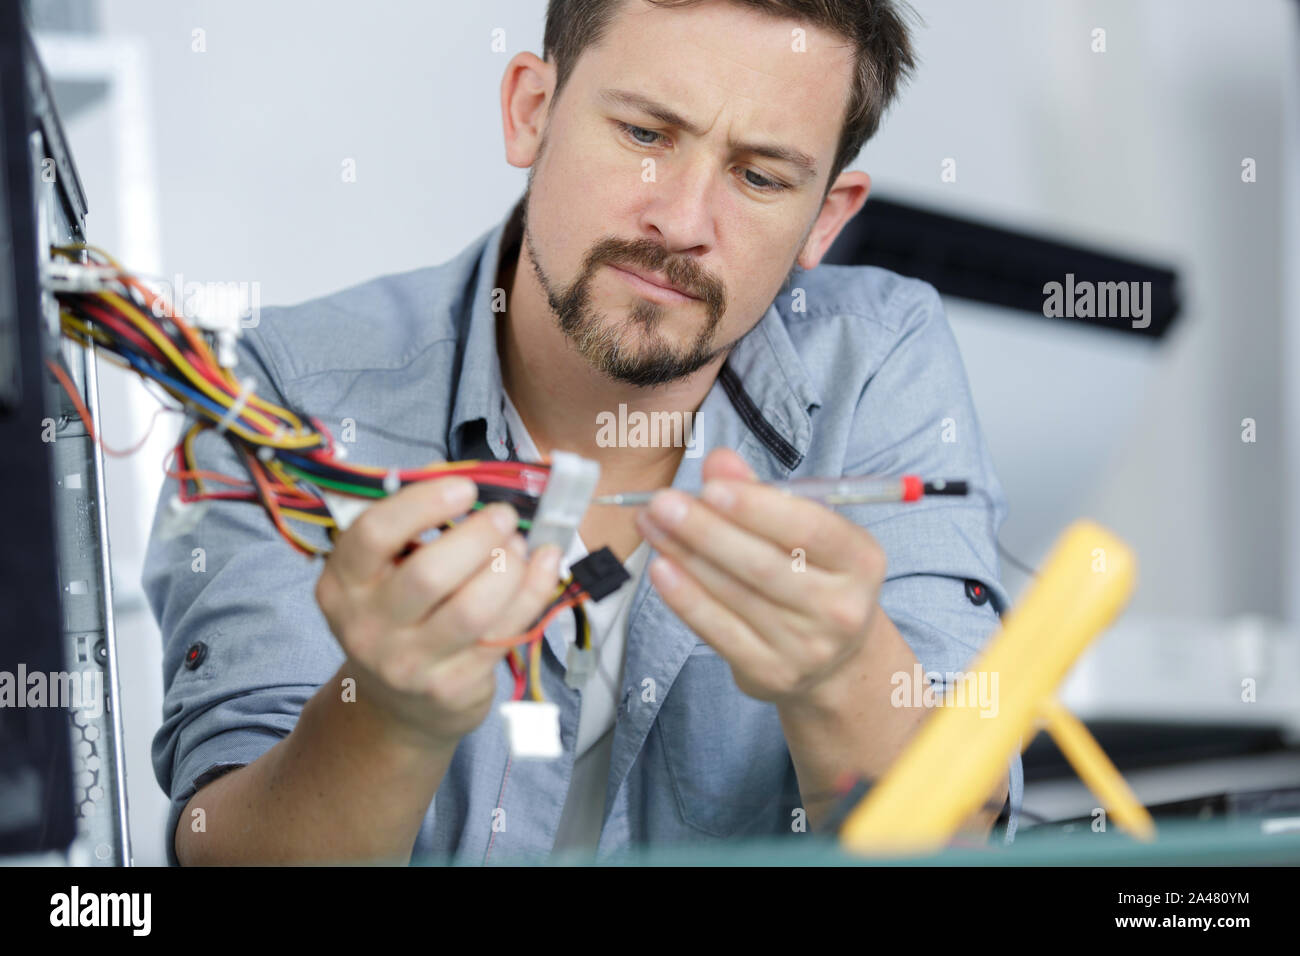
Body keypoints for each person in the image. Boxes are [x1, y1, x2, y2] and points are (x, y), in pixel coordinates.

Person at [145, 0, 1020, 865]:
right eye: (644, 134)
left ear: (825, 219)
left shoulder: (874, 359)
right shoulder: (283, 391)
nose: (681, 223)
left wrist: (846, 671)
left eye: (760, 178)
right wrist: (387, 715)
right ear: (532, 111)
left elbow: (954, 839)